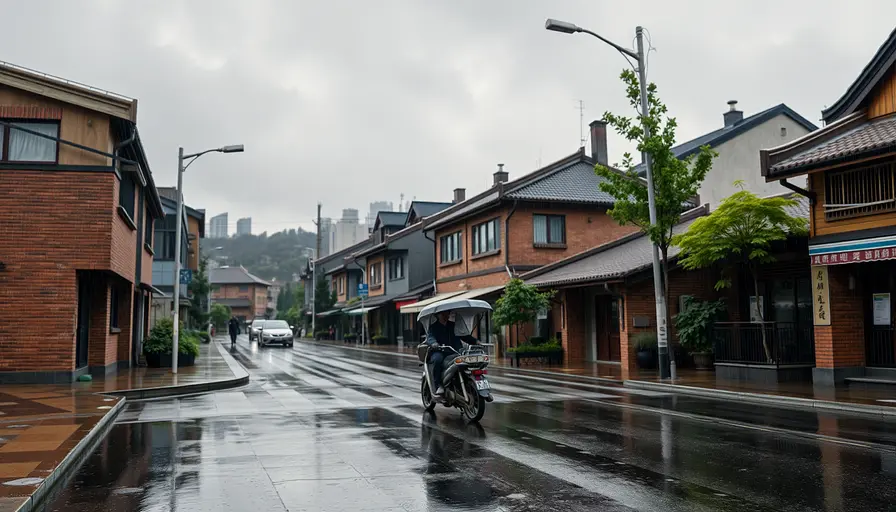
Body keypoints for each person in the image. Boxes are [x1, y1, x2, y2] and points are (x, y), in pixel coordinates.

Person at [425, 310, 477, 398]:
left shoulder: (453, 326)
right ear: (438, 315)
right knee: (437, 360)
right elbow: (430, 337)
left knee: (465, 361)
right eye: (443, 314)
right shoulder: (433, 327)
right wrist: (434, 343)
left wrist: (475, 341)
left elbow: (464, 336)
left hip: (454, 351)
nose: (446, 315)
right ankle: (438, 385)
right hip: (440, 351)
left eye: (447, 313)